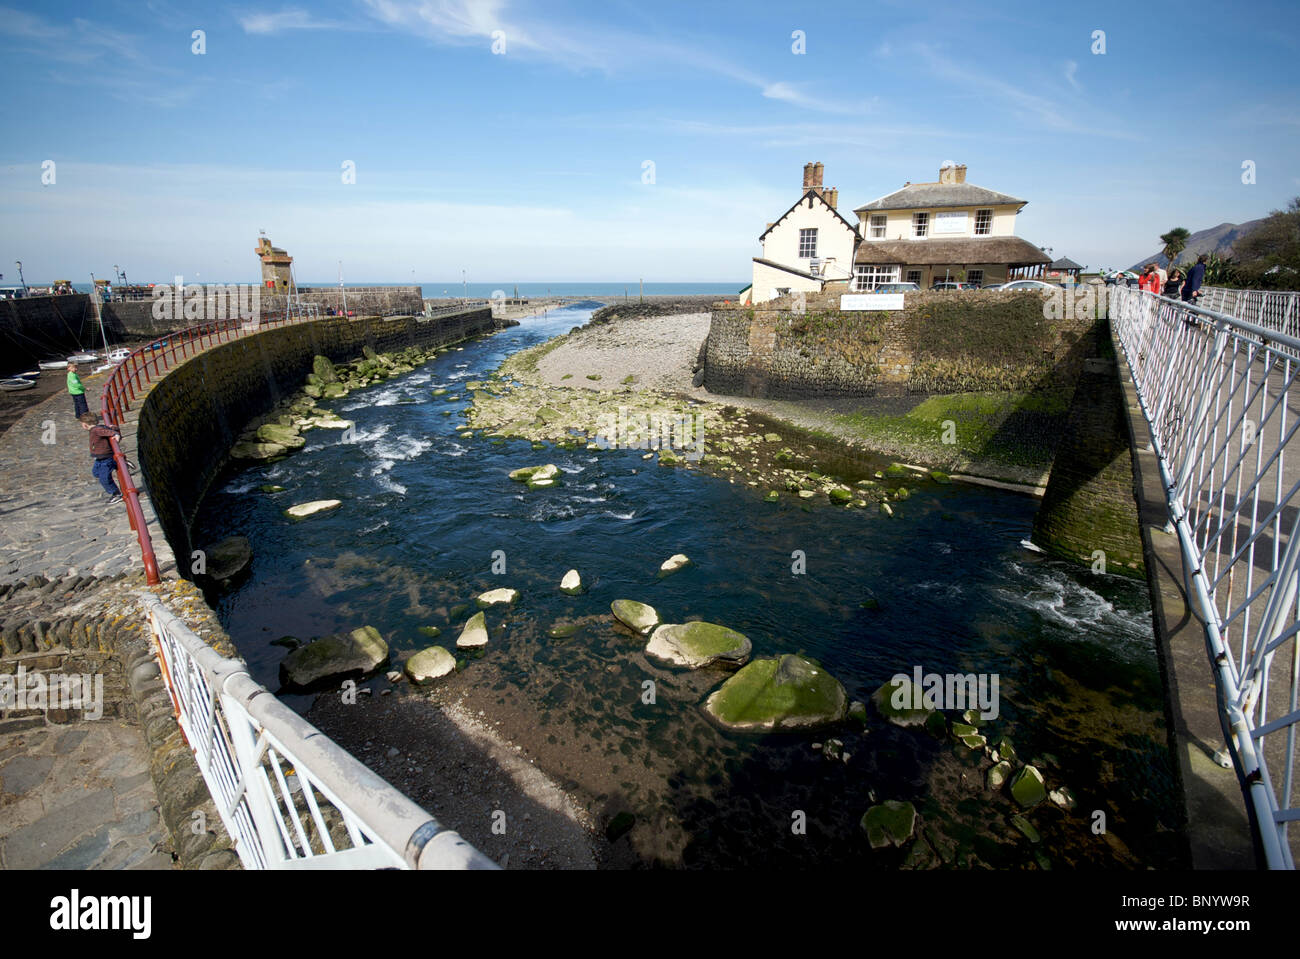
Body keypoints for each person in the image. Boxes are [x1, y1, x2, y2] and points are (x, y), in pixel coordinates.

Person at [79, 412, 121, 501]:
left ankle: (116, 493)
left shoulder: (96, 430)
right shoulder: (98, 428)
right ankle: (117, 463)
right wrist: (113, 428)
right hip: (99, 458)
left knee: (104, 478)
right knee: (95, 473)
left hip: (105, 458)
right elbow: (107, 429)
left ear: (85, 425)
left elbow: (108, 431)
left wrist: (115, 434)